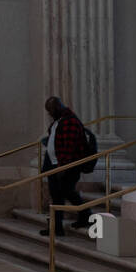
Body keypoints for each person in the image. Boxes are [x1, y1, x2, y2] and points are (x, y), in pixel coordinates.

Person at [39, 95, 91, 236]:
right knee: (56, 196)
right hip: (54, 165)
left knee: (67, 192)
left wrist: (63, 167)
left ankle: (85, 214)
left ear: (57, 108)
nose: (49, 114)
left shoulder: (71, 122)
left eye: (50, 111)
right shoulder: (59, 121)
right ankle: (57, 227)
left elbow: (70, 147)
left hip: (65, 166)